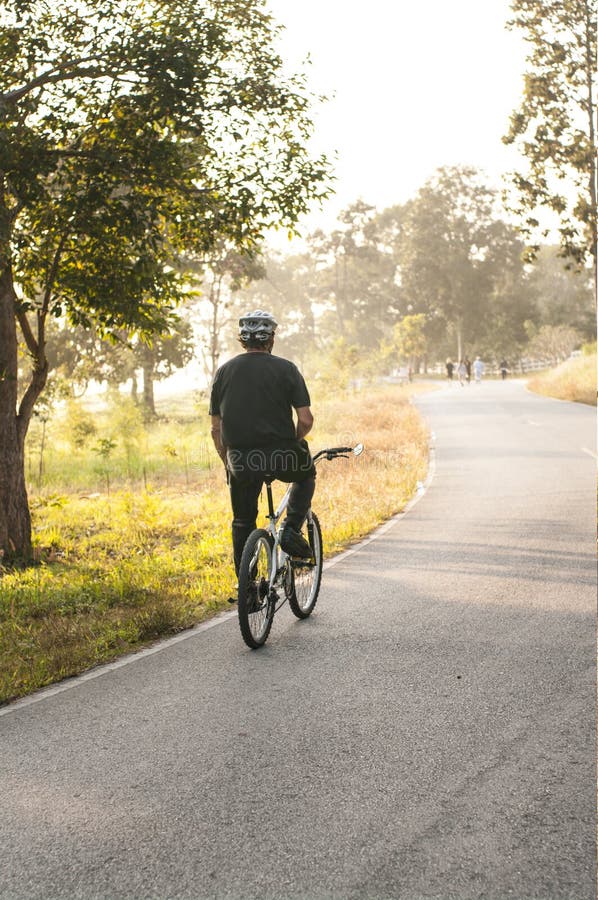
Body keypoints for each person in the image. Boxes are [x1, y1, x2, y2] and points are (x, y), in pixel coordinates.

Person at [209, 310, 316, 591]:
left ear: (242, 340)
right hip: (282, 453)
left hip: (240, 459)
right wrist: (292, 441)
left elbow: (215, 429)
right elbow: (305, 420)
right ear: (271, 339)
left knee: (242, 521)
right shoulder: (287, 369)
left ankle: (248, 588)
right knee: (306, 474)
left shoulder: (224, 372)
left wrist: (227, 461)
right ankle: (291, 528)